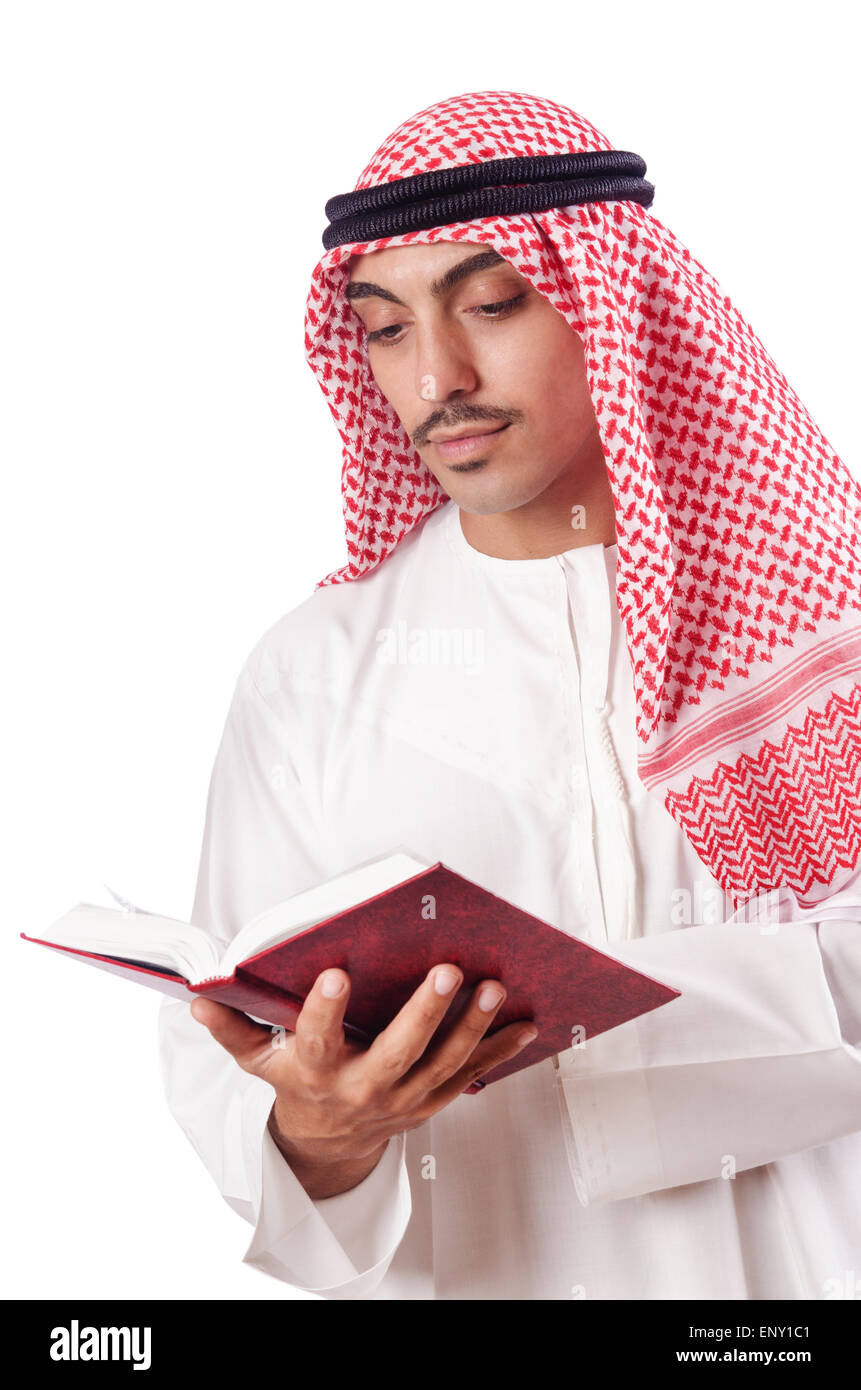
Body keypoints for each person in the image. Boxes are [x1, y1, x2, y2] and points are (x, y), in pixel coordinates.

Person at [158, 91, 861, 1300]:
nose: (438, 375)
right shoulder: (312, 672)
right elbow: (234, 1077)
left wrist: (558, 1021)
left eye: (491, 304)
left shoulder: (826, 614)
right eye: (384, 329)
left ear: (614, 302)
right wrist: (320, 1136)